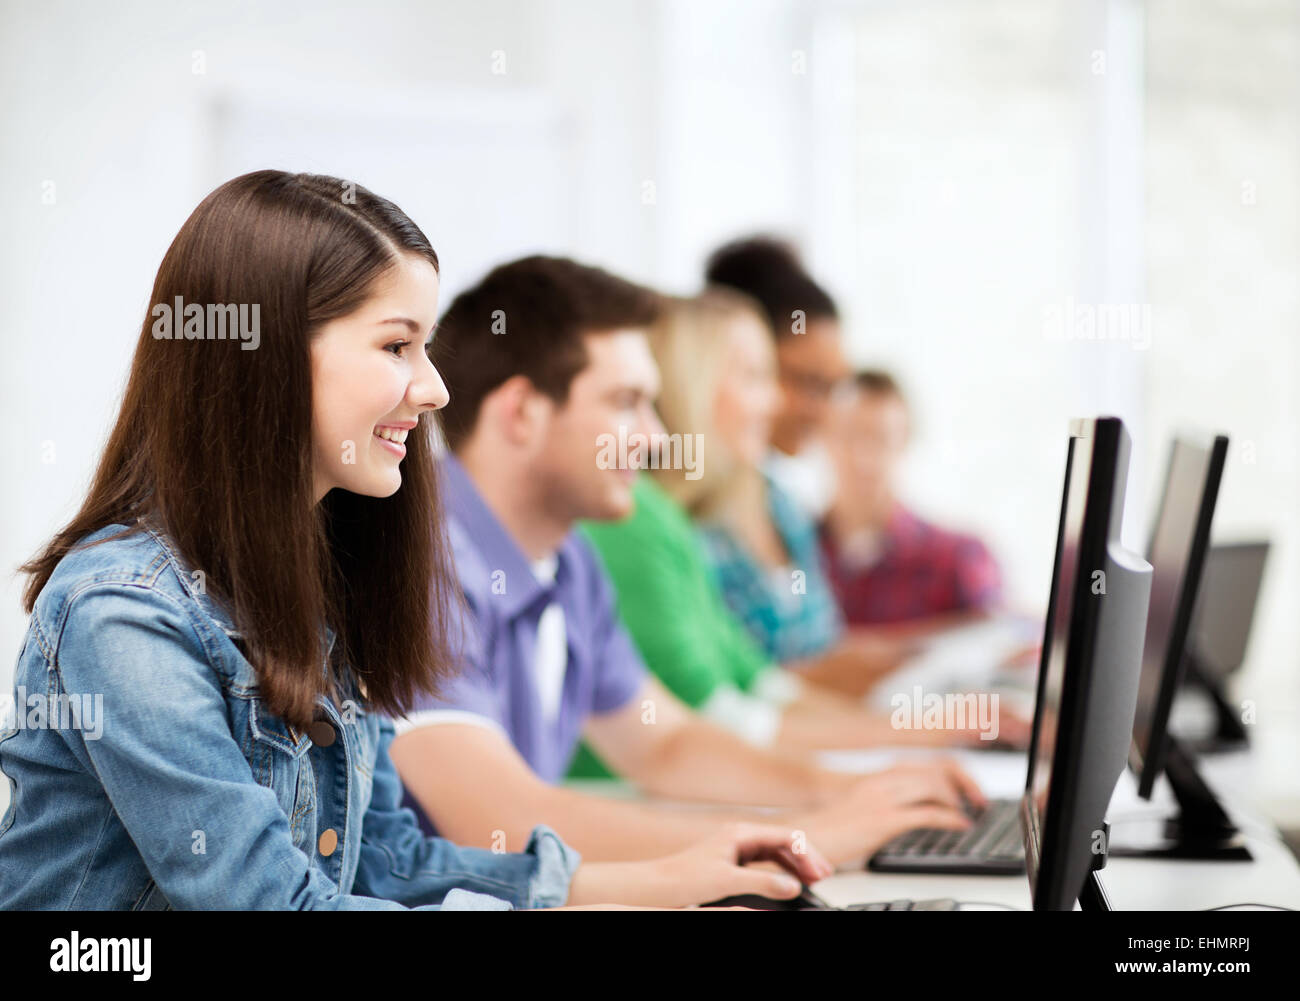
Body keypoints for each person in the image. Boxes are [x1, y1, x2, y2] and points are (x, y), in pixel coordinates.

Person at [0, 171, 833, 910]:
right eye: (397, 345)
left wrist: (672, 881)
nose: (433, 387)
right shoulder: (123, 612)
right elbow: (266, 902)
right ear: (269, 356)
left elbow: (387, 864)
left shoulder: (323, 578)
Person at [390, 255, 983, 866]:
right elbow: (499, 819)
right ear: (521, 413)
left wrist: (844, 793)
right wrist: (804, 836)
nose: (655, 438)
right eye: (626, 402)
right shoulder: (420, 566)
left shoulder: (570, 562)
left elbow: (663, 742)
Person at [579, 290, 1020, 755]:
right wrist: (921, 732)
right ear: (692, 383)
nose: (775, 402)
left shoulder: (683, 521)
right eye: (753, 377)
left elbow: (762, 685)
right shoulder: (640, 522)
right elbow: (717, 717)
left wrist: (930, 728)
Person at [822, 370, 1003, 628]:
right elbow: (783, 641)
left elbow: (1001, 638)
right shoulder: (796, 553)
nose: (863, 458)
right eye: (850, 436)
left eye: (880, 440)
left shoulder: (957, 559)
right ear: (825, 438)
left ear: (905, 443)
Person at [705, 236, 848, 521]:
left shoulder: (787, 509)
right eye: (809, 382)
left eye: (834, 387)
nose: (824, 413)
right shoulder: (681, 511)